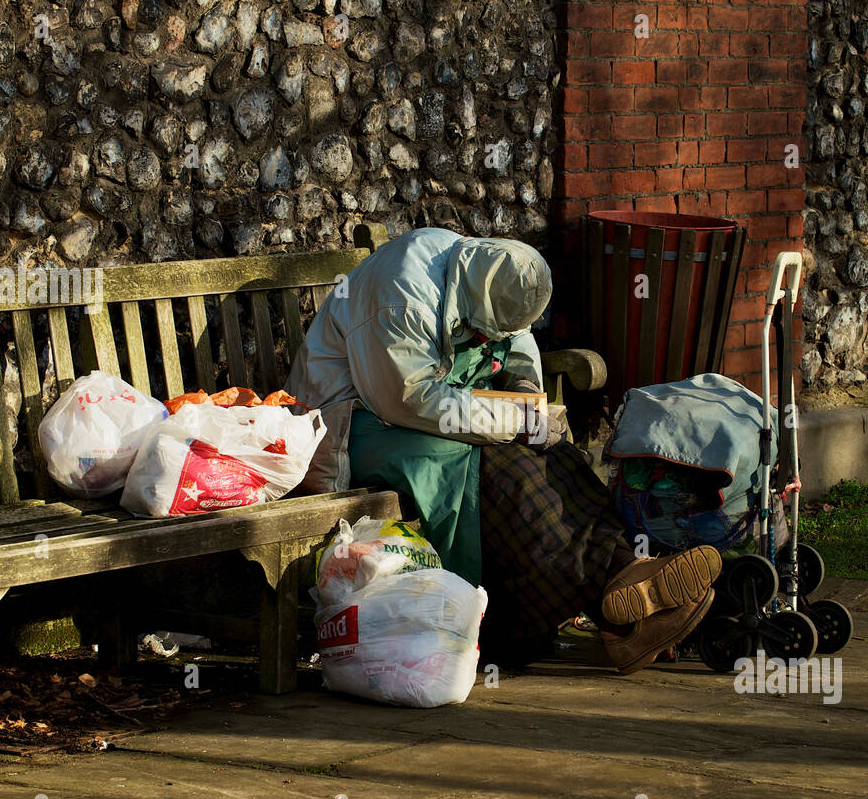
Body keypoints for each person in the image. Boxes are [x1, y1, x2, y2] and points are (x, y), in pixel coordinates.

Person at [285, 227, 721, 674]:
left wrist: (526, 389)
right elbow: (411, 400)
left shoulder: (496, 271)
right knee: (506, 474)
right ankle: (618, 611)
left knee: (557, 460)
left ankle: (629, 576)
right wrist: (516, 422)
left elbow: (516, 338)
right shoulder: (401, 297)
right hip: (359, 422)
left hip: (438, 407)